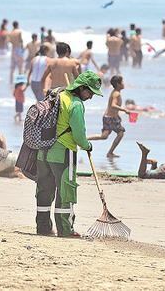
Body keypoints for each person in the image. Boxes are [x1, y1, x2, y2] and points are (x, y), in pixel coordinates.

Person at [35, 72, 102, 237]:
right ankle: (65, 230)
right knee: (66, 192)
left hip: (42, 151)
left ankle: (43, 227)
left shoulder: (57, 94)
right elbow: (79, 135)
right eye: (91, 92)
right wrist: (87, 145)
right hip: (63, 153)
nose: (91, 97)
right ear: (82, 88)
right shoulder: (76, 104)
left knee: (44, 190)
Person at [88, 75, 129, 157]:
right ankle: (110, 152)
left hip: (108, 117)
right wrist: (124, 110)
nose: (124, 84)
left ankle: (85, 139)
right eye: (122, 82)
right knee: (120, 133)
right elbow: (113, 105)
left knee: (104, 136)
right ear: (118, 84)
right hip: (110, 118)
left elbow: (112, 108)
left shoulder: (115, 92)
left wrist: (117, 115)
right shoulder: (116, 94)